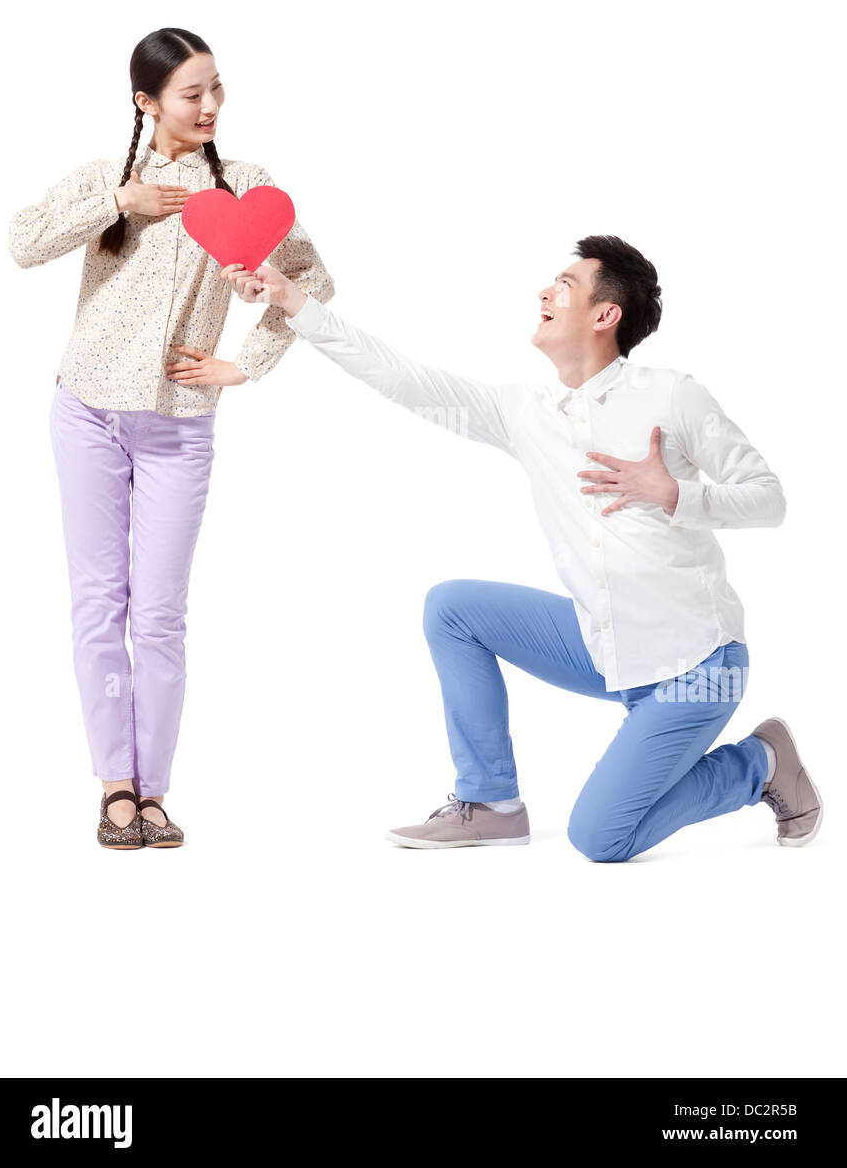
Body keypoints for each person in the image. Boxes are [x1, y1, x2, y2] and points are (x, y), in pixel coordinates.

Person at [223, 236, 822, 860]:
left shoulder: (672, 395)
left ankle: (761, 762)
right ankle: (490, 803)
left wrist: (674, 493)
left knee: (602, 836)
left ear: (605, 314)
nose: (544, 292)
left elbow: (769, 499)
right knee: (453, 608)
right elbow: (406, 380)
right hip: (607, 646)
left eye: (564, 284)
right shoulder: (527, 412)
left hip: (700, 667)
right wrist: (294, 302)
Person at [9, 26, 334, 850]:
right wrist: (119, 202)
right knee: (97, 604)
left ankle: (155, 793)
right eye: (193, 94)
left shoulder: (249, 187)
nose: (212, 105)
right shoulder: (108, 178)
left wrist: (247, 361)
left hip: (177, 428)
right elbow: (21, 243)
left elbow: (315, 281)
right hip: (84, 412)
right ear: (146, 103)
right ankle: (114, 785)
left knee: (158, 614)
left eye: (218, 87)